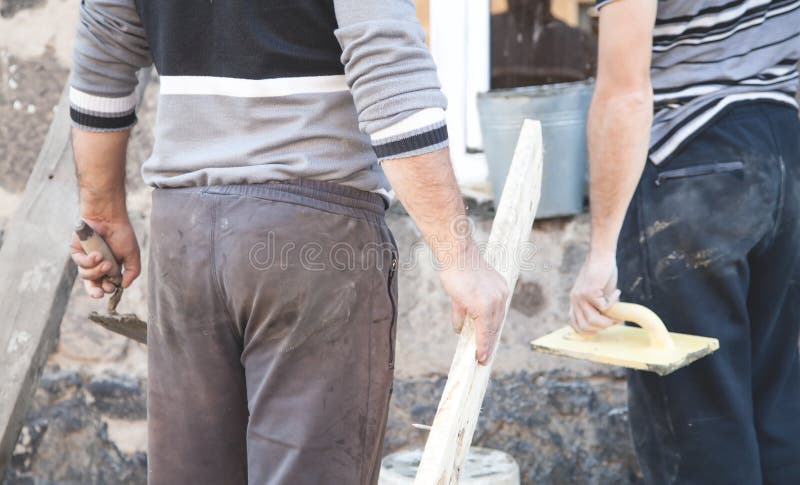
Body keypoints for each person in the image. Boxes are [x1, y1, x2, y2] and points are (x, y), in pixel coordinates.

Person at [67, 1, 508, 484]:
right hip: (311, 233)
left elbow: (104, 50)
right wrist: (458, 255)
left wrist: (103, 212)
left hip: (185, 234)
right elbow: (386, 58)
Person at [569, 0, 800, 483]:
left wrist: (600, 252)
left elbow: (624, 93)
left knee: (698, 427)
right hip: (786, 150)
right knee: (779, 407)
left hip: (694, 163)